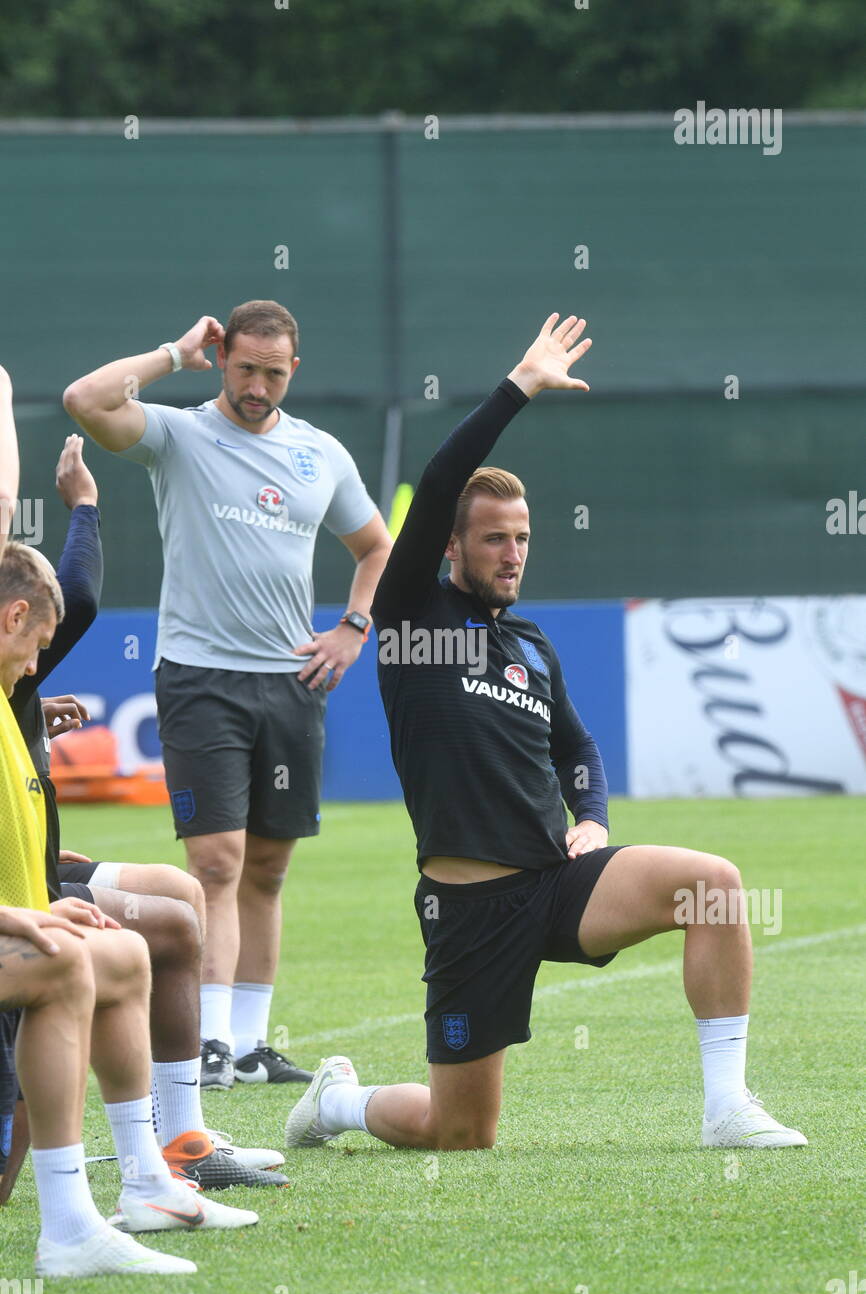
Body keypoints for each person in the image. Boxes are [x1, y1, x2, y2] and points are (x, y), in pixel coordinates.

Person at [284, 314, 808, 1153]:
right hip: (470, 909)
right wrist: (519, 386)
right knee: (461, 1131)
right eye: (494, 538)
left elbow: (579, 751)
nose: (512, 552)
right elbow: (439, 472)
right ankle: (341, 1101)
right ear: (451, 547)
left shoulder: (531, 644)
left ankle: (728, 1107)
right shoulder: (412, 615)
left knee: (715, 884)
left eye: (522, 538)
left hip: (558, 885)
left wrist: (592, 817)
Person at [64, 301, 393, 1088]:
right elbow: (86, 400)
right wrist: (172, 353)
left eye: (273, 373)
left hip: (292, 682)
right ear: (223, 360)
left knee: (269, 871)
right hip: (200, 676)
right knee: (216, 861)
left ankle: (248, 1044)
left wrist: (353, 625)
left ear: (294, 371)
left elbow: (375, 545)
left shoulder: (321, 454)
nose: (257, 386)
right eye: (245, 369)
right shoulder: (179, 435)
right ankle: (208, 1038)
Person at [0, 371, 259, 1277]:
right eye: (36, 644)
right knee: (84, 955)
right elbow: (77, 583)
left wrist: (40, 897)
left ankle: (144, 1175)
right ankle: (85, 1213)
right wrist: (27, 915)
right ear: (14, 619)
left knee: (125, 946)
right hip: (13, 918)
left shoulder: (10, 697)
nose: (40, 666)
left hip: (25, 899)